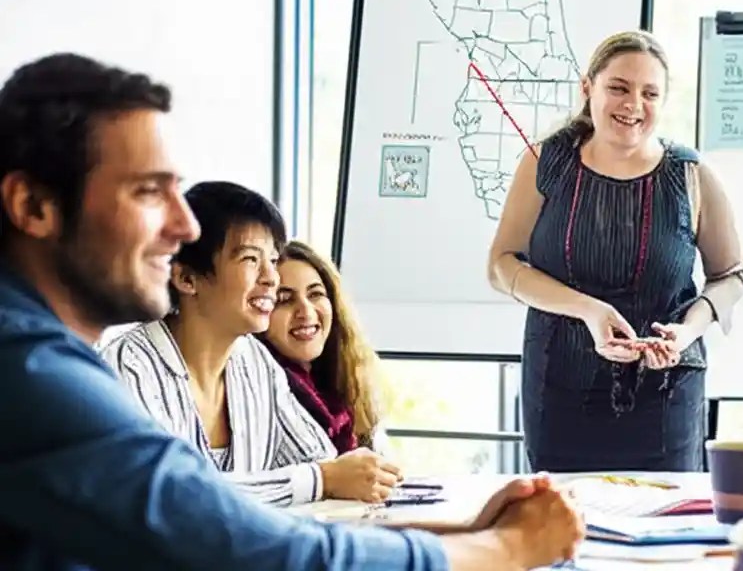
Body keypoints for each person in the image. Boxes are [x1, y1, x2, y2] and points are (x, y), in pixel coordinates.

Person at [0, 52, 584, 570]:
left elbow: (309, 496)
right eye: (148, 192)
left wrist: (472, 529)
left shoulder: (63, 357)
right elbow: (256, 548)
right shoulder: (30, 375)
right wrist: (508, 549)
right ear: (34, 205)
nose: (183, 228)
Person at [488, 30, 743, 472]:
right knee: (562, 530)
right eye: (619, 88)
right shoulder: (543, 161)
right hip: (558, 390)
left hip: (666, 396)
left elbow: (730, 278)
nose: (633, 105)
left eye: (650, 94)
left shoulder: (693, 174)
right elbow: (501, 265)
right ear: (587, 89)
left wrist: (687, 332)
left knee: (668, 534)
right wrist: (589, 310)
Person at [99, 181, 395, 507]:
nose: (271, 278)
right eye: (251, 259)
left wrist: (346, 475)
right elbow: (172, 496)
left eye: (272, 259)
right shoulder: (128, 367)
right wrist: (319, 479)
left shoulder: (254, 361)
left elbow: (322, 460)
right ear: (186, 278)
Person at [261, 239, 390, 455]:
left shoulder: (342, 381)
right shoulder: (263, 390)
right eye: (283, 300)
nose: (306, 312)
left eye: (315, 294)